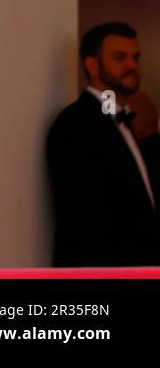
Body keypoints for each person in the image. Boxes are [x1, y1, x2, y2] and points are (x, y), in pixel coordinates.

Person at [47, 22, 160, 266]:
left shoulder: (124, 123)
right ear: (92, 64)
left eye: (135, 57)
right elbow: (82, 218)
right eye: (120, 57)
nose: (132, 65)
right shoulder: (75, 125)